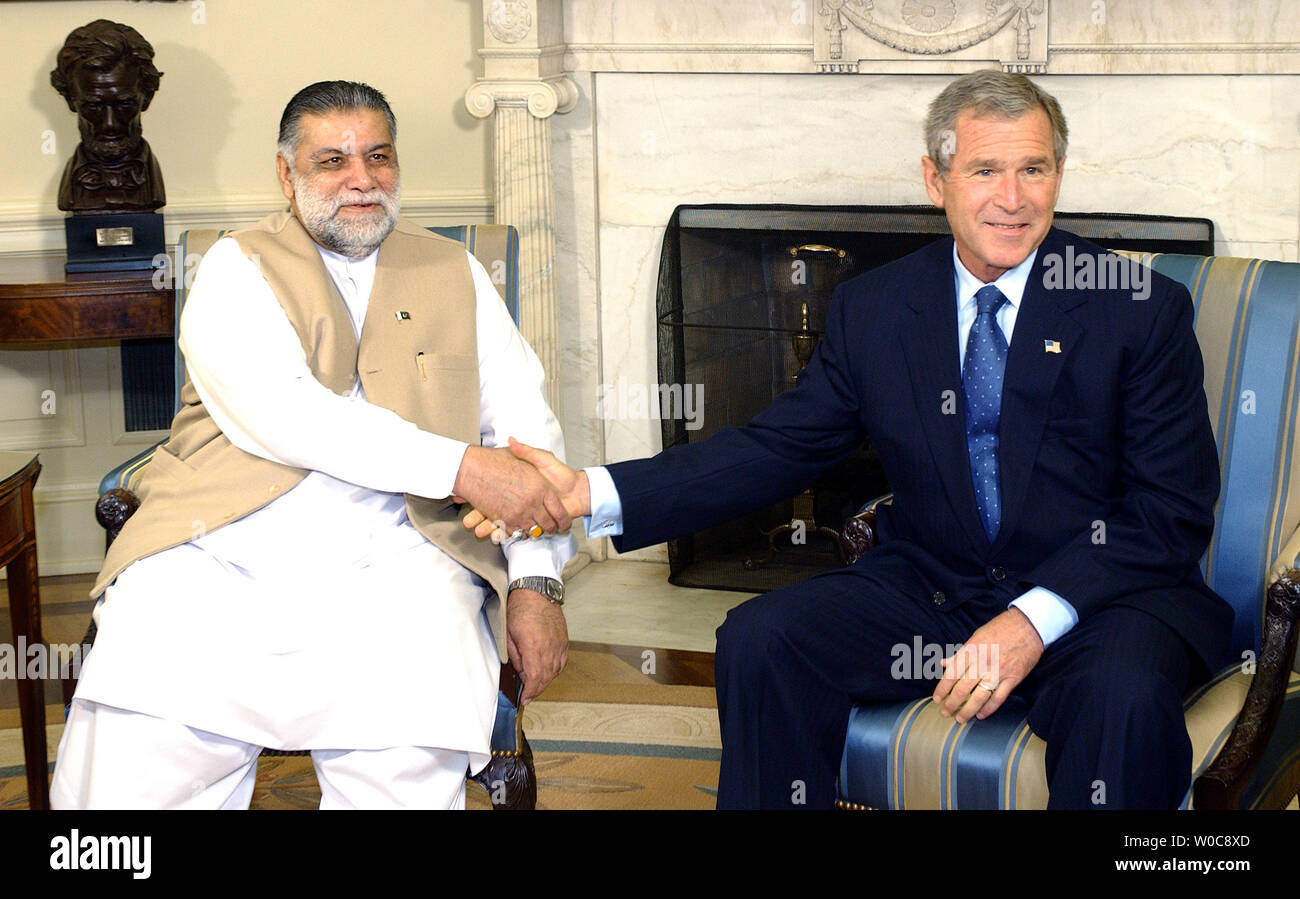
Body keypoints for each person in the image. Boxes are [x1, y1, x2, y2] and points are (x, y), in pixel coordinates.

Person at [472, 70, 1233, 809]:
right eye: (985, 170)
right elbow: (777, 446)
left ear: (1059, 175)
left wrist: (1033, 618)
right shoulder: (876, 307)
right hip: (937, 587)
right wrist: (588, 493)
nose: (1012, 198)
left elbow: (1170, 509)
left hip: (1100, 599)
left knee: (1122, 698)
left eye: (1033, 169)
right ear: (936, 180)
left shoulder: (1136, 309)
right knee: (762, 639)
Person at [52, 81, 574, 810]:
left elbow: (528, 441)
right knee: (147, 716)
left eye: (378, 156)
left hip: (407, 548)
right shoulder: (233, 268)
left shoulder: (458, 274)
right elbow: (286, 415)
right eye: (332, 159)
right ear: (286, 174)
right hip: (226, 543)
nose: (361, 178)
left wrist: (536, 580)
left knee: (407, 722)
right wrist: (464, 467)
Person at [50, 19, 167, 212]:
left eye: (124, 104)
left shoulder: (151, 181)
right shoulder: (70, 190)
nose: (109, 124)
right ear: (71, 100)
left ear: (147, 97)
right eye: (93, 106)